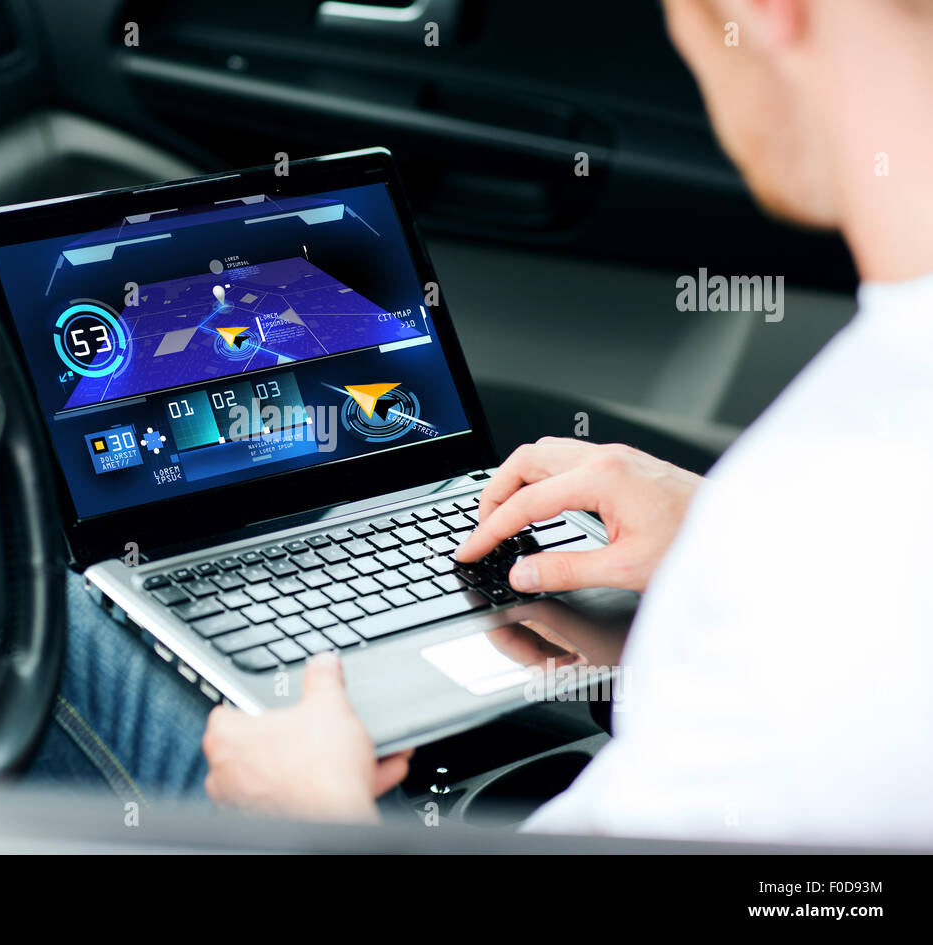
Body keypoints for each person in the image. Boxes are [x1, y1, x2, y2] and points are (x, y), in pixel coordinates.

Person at [197, 0, 933, 845]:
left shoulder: (807, 616)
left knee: (81, 633)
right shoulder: (855, 473)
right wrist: (717, 525)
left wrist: (318, 820)